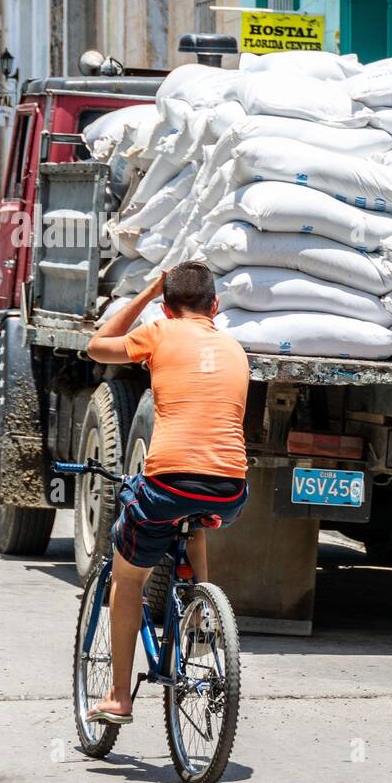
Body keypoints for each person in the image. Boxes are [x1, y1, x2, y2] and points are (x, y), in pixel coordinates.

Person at [84, 261, 250, 724]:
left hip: (169, 483)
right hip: (231, 489)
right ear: (214, 306)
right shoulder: (236, 348)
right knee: (194, 517)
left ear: (165, 305)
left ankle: (118, 696)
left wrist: (145, 295)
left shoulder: (158, 332)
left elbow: (97, 346)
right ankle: (200, 605)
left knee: (127, 580)